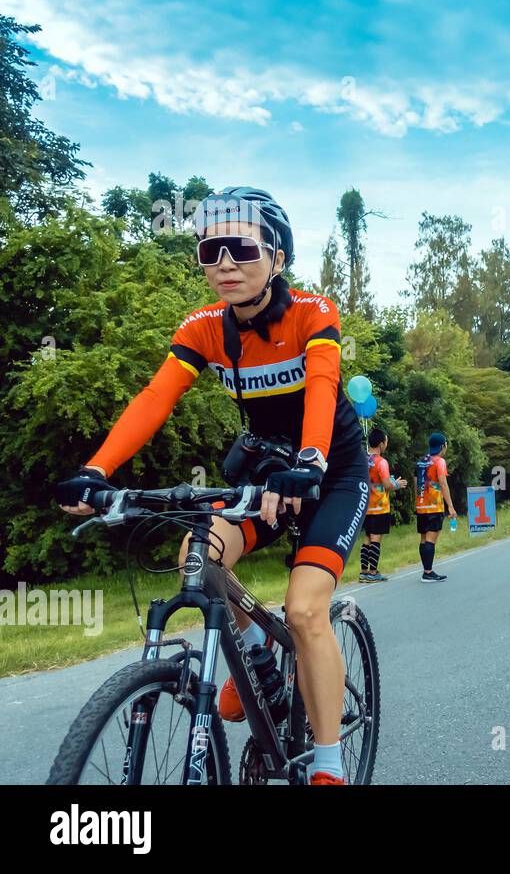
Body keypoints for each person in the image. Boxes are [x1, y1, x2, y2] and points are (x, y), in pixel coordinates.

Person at [55, 187, 364, 785]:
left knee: (304, 611)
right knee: (198, 557)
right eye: (210, 251)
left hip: (332, 470)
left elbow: (323, 384)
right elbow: (154, 399)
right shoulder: (202, 329)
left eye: (242, 249)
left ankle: (329, 768)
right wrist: (97, 471)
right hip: (268, 472)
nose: (225, 264)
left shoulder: (311, 311)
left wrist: (312, 460)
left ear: (277, 258)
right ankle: (255, 658)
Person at [361, 427, 406, 583]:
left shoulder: (363, 460)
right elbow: (387, 485)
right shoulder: (381, 462)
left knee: (367, 537)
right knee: (376, 539)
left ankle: (363, 571)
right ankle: (373, 572)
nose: (386, 444)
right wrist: (397, 484)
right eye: (386, 441)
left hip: (365, 506)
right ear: (381, 444)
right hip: (379, 506)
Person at [415, 431, 458, 583]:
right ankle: (428, 572)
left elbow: (416, 482)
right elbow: (443, 483)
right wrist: (450, 506)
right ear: (442, 446)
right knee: (431, 540)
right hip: (434, 506)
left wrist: (418, 499)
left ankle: (426, 569)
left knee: (423, 539)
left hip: (421, 505)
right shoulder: (439, 462)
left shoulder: (421, 461)